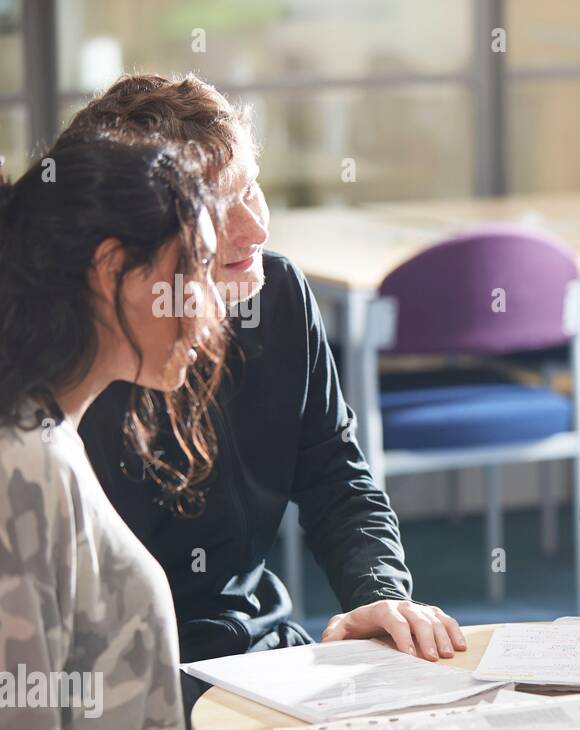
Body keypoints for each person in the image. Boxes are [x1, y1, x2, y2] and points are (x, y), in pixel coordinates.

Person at [0, 136, 344, 730]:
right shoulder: (21, 471)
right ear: (112, 271)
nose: (213, 314)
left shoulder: (48, 436)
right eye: (192, 274)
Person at [66, 74, 466, 669]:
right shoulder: (71, 368)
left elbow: (335, 474)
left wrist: (378, 593)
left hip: (259, 642)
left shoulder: (276, 294)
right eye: (218, 207)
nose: (254, 228)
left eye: (251, 188)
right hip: (127, 668)